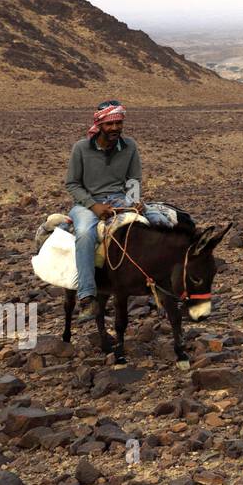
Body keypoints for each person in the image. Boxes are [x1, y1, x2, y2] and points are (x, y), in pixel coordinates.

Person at [64, 100, 170, 322]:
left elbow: (133, 178)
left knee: (161, 222)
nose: (115, 128)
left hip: (122, 199)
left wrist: (135, 202)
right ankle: (87, 297)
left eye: (118, 123)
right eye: (110, 124)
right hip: (88, 203)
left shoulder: (129, 146)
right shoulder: (81, 149)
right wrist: (94, 206)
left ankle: (163, 286)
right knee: (84, 234)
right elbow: (73, 184)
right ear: (100, 124)